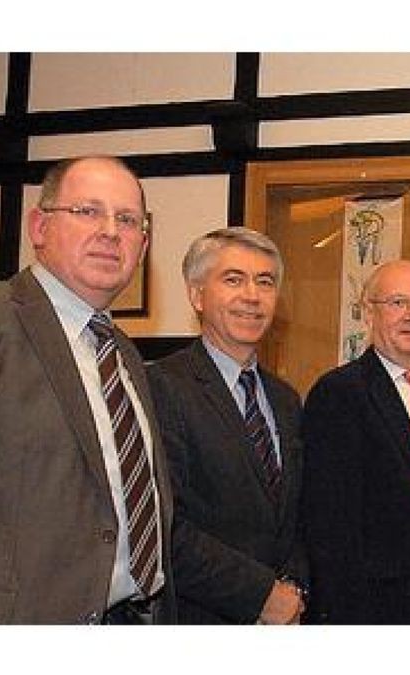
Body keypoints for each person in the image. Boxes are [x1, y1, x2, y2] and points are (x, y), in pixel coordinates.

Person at [0, 155, 175, 624]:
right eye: (88, 211)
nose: (110, 230)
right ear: (39, 226)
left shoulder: (122, 352)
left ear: (142, 245)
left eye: (127, 220)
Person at [302, 259, 410, 623]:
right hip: (375, 614)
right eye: (397, 303)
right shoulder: (339, 394)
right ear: (369, 313)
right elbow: (330, 528)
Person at [148, 228, 306, 624]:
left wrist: (295, 590)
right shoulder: (161, 386)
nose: (252, 296)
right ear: (197, 295)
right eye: (233, 279)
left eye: (265, 282)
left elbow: (298, 513)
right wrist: (262, 595)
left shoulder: (286, 398)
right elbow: (164, 525)